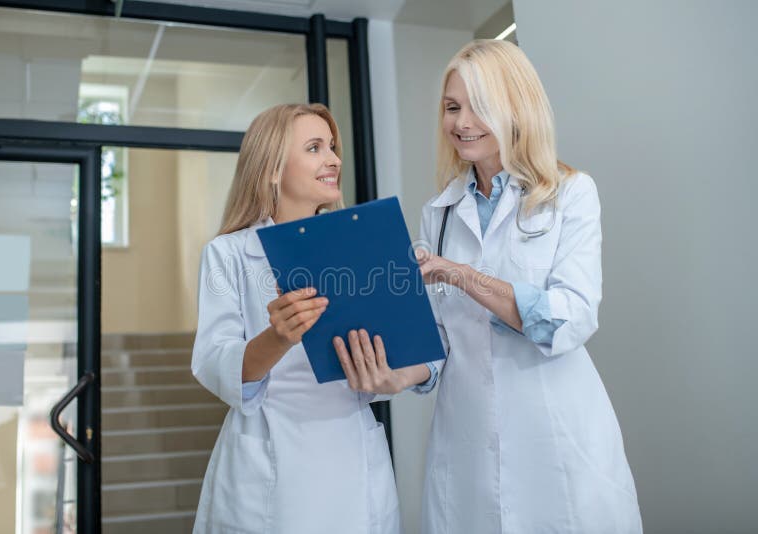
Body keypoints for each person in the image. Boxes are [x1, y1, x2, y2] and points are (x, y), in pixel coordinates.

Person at [334, 40, 643, 533]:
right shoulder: (437, 214)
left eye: (479, 106)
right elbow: (436, 343)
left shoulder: (568, 195)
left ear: (516, 108)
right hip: (467, 444)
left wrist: (461, 275)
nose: (461, 122)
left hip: (554, 435)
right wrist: (395, 377)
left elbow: (569, 318)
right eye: (452, 107)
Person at [191, 103, 400, 534]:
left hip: (351, 452)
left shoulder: (363, 246)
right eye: (315, 147)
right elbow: (216, 364)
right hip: (271, 458)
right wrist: (278, 337)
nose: (335, 159)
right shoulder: (228, 255)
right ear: (272, 169)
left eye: (333, 147)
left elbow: (400, 348)